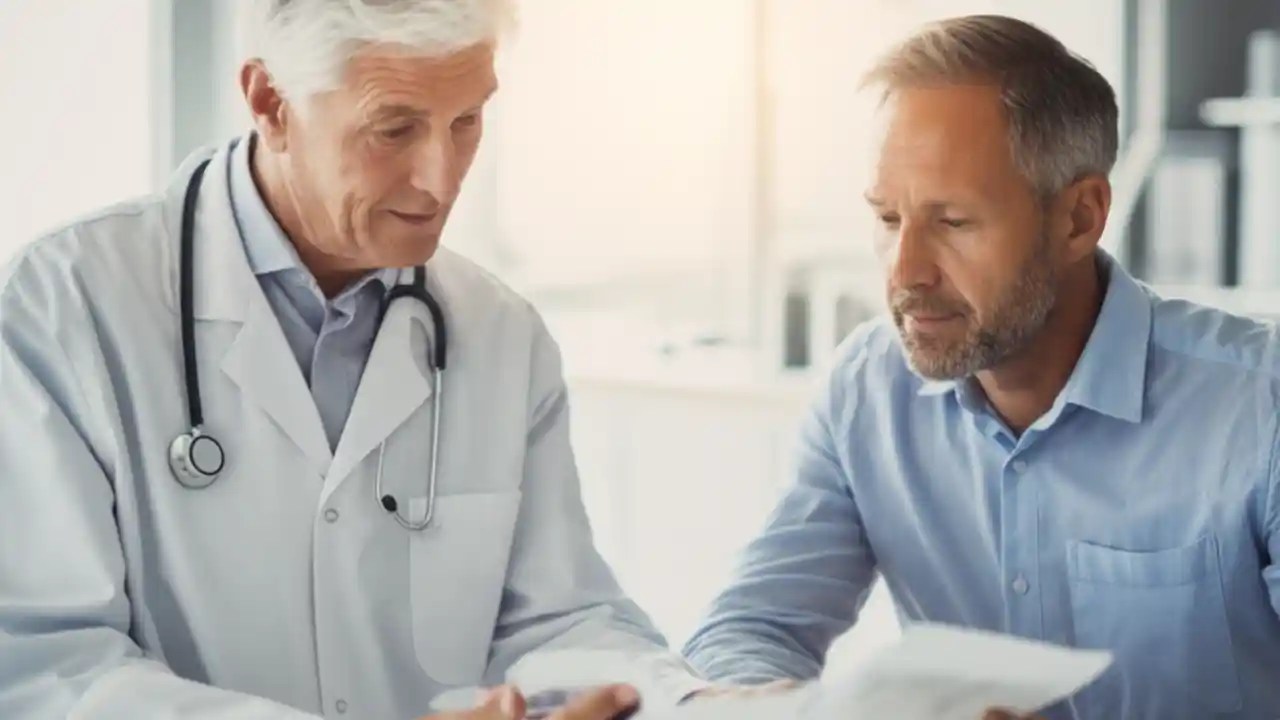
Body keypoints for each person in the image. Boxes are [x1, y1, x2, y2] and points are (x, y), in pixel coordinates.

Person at [0, 1, 704, 717]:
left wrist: (685, 702)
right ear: (271, 102)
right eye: (394, 129)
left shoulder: (499, 333)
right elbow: (48, 666)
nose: (440, 179)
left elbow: (555, 617)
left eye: (467, 121)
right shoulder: (64, 307)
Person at [682, 14, 1280, 720]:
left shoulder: (1258, 406)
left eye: (954, 223)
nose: (904, 272)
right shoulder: (868, 391)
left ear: (1079, 219)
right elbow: (751, 631)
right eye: (886, 220)